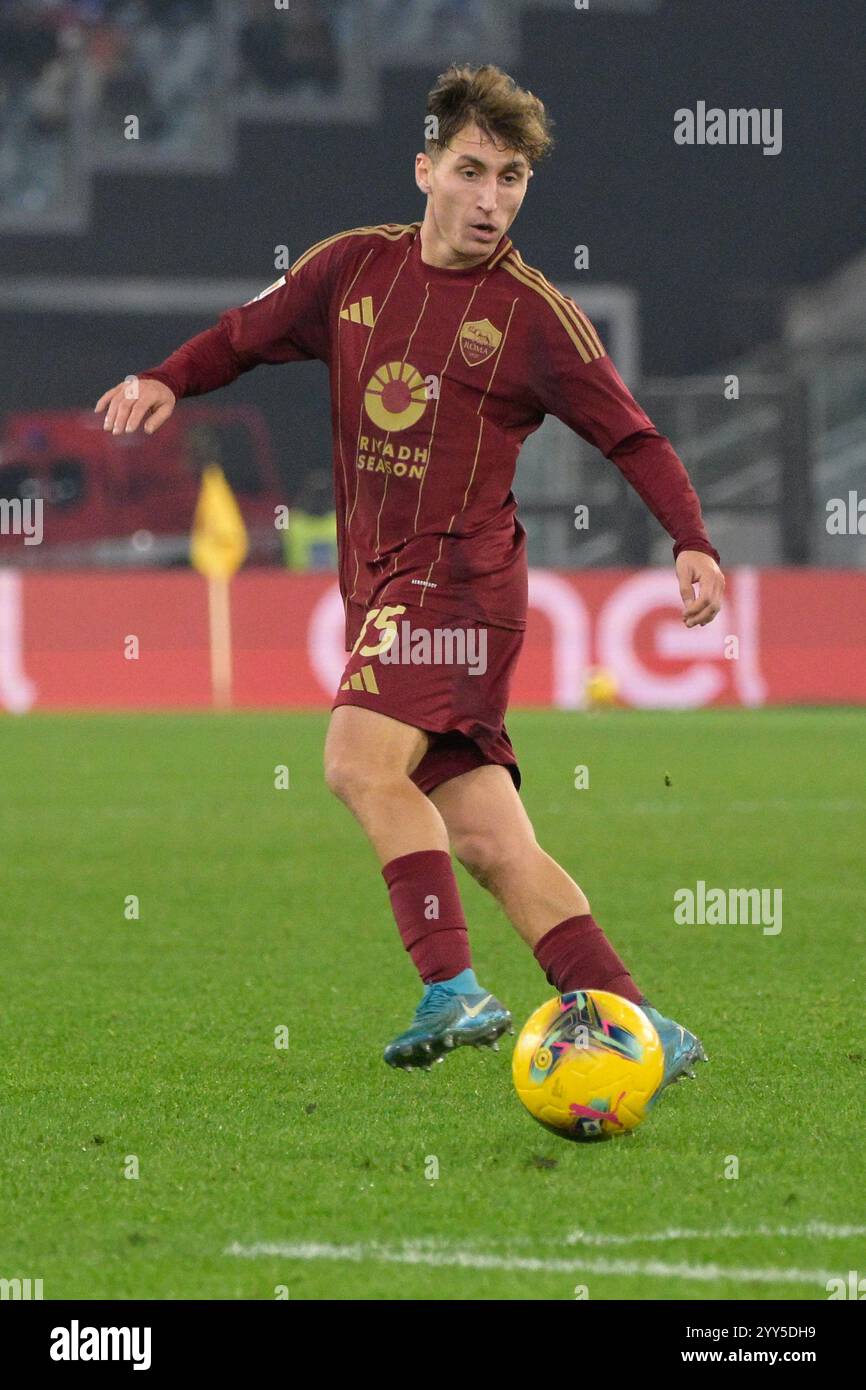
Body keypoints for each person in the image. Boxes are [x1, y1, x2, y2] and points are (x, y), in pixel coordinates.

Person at [95, 63, 724, 1099]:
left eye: (512, 178)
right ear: (424, 168)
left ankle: (451, 986)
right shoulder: (352, 271)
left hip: (458, 585)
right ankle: (631, 1014)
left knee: (352, 761)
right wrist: (167, 377)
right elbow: (244, 336)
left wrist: (688, 539)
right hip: (386, 584)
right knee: (483, 834)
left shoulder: (531, 316)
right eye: (472, 171)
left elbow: (632, 433)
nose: (490, 199)